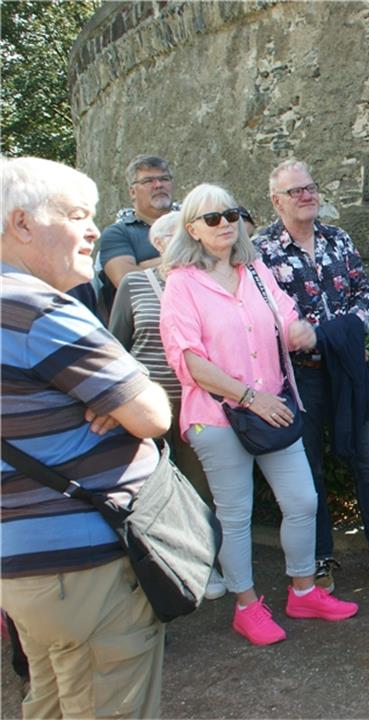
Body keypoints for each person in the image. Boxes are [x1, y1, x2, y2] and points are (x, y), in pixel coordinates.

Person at [0, 157, 173, 717]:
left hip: (24, 566)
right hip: (83, 568)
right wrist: (115, 394)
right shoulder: (38, 309)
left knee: (48, 702)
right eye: (77, 215)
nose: (95, 231)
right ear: (22, 223)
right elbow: (152, 413)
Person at [160, 183, 358, 646]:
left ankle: (303, 590)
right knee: (236, 515)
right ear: (192, 229)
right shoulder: (182, 283)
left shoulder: (254, 269)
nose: (225, 223)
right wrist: (250, 398)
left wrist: (302, 331)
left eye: (231, 214)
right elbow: (190, 362)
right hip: (218, 414)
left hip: (271, 406)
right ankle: (247, 607)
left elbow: (285, 318)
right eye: (212, 218)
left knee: (303, 500)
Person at [253, 160, 369, 592]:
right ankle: (321, 558)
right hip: (301, 377)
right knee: (310, 470)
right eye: (295, 191)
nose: (306, 195)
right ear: (276, 201)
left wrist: (328, 337)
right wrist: (330, 337)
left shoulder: (338, 238)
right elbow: (268, 316)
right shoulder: (262, 251)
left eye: (310, 187)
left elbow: (365, 294)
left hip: (350, 371)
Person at [108, 211, 226, 600]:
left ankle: (204, 565)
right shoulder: (135, 283)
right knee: (149, 490)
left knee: (199, 487)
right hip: (148, 408)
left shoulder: (208, 283)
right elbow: (116, 345)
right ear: (158, 244)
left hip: (196, 402)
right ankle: (152, 567)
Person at [97, 154, 176, 315]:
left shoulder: (194, 225)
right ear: (132, 192)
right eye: (148, 181)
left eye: (164, 179)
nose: (158, 185)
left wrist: (143, 266)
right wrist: (189, 258)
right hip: (145, 322)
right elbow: (127, 280)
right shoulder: (118, 233)